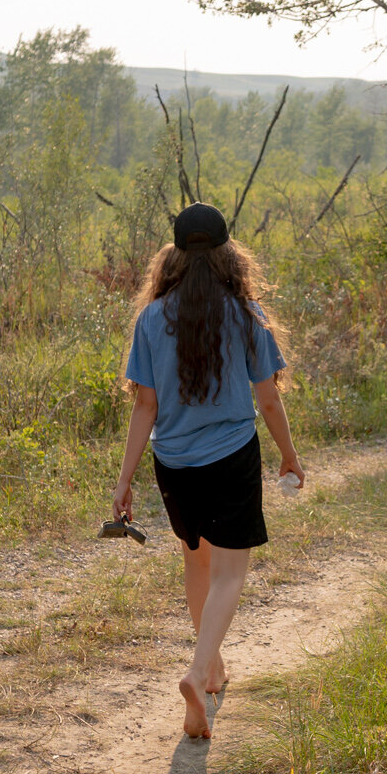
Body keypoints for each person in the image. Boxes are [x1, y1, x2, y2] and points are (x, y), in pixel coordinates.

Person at [112, 202, 303, 740]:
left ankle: (212, 668)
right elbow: (267, 399)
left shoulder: (151, 318)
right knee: (230, 574)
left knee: (197, 565)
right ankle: (199, 672)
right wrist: (289, 454)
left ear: (174, 255)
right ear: (227, 254)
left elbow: (144, 408)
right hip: (230, 456)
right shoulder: (246, 313)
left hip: (173, 464)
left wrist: (123, 480)